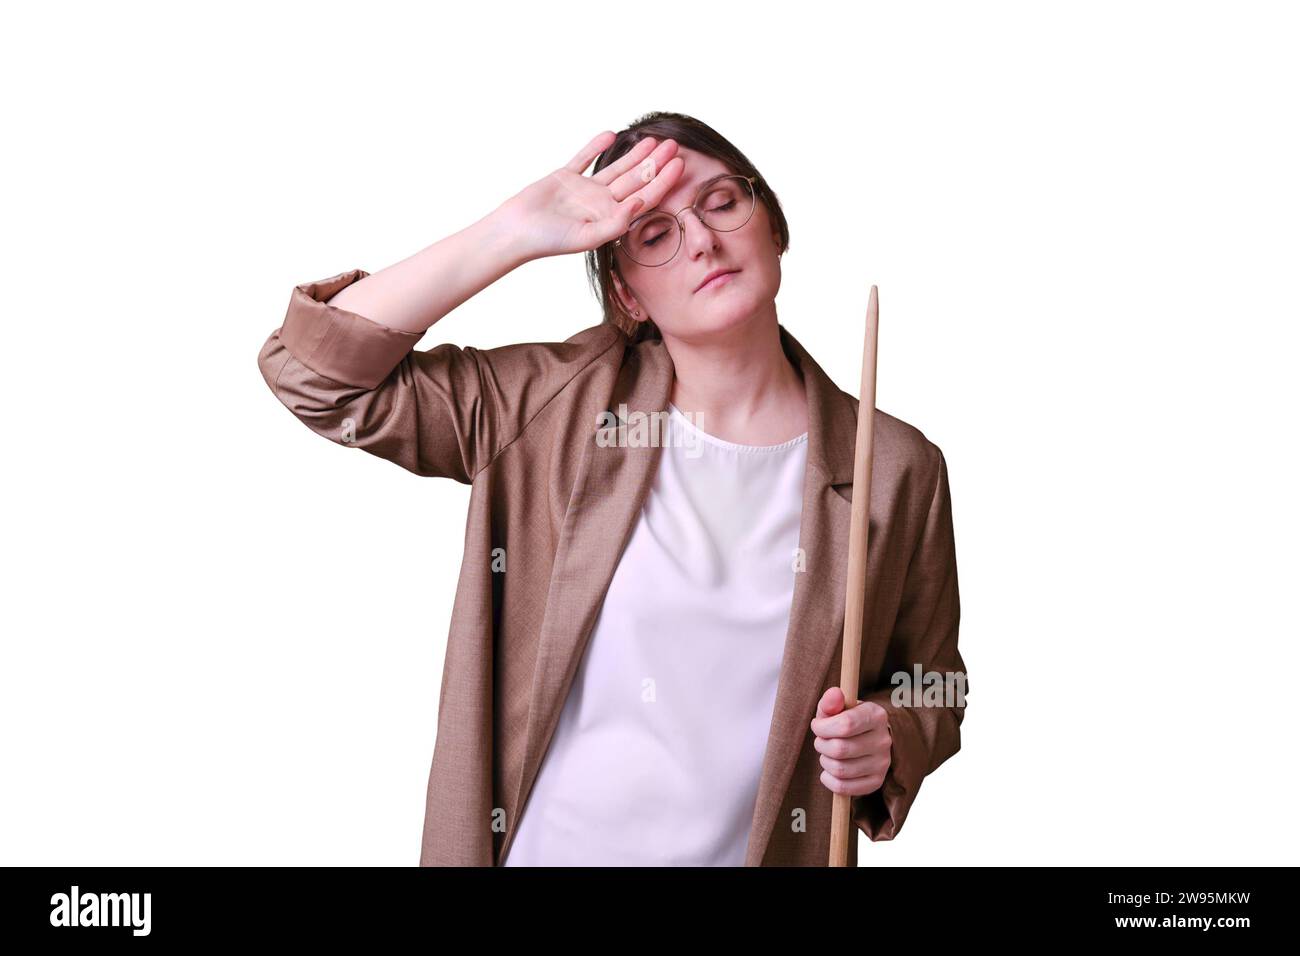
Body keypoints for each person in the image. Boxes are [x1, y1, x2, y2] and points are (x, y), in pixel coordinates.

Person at [256, 111, 966, 866]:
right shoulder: (549, 408)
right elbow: (317, 378)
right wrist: (511, 232)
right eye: (655, 234)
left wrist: (889, 738)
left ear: (774, 228)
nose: (701, 239)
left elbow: (936, 687)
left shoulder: (897, 468)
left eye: (722, 202)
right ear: (626, 296)